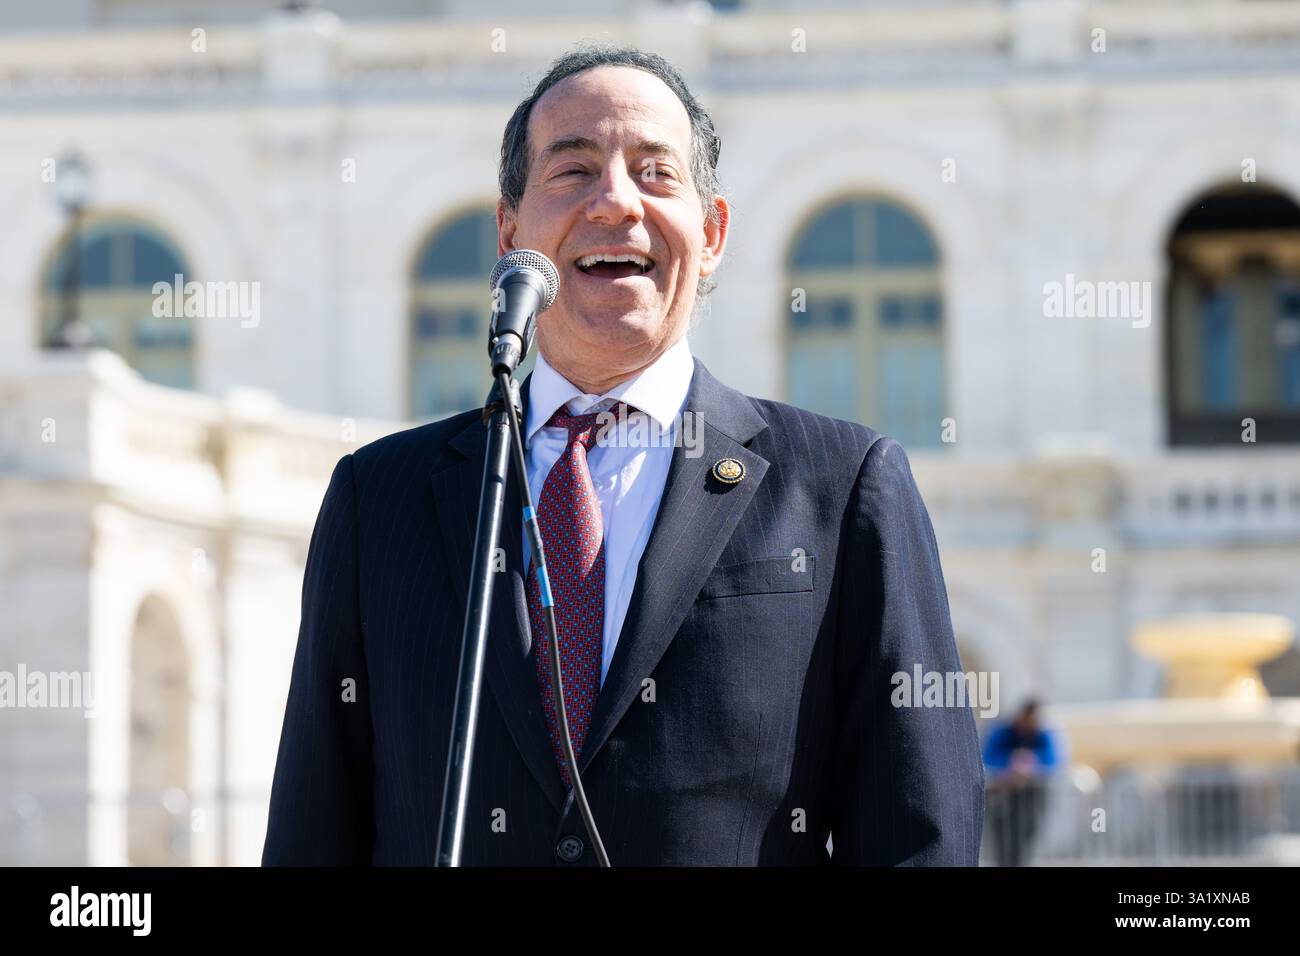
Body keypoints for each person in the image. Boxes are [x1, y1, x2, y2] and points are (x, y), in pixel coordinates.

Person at [263, 44, 984, 866]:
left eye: (656, 172)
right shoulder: (377, 498)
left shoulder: (842, 487)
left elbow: (919, 838)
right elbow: (313, 829)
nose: (616, 202)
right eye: (572, 171)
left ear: (712, 234)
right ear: (510, 232)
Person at [982, 698, 1062, 866]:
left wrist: (1031, 765)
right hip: (1001, 801)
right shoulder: (1002, 731)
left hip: (1031, 803)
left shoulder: (1045, 734)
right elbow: (986, 757)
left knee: (1026, 845)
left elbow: (1053, 762)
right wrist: (1010, 765)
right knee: (1002, 845)